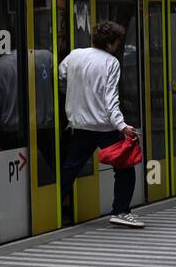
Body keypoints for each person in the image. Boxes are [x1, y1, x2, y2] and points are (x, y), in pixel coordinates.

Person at [58, 20, 144, 228]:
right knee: (124, 169)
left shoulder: (75, 55)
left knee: (70, 169)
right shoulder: (111, 62)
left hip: (79, 126)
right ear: (111, 43)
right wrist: (123, 126)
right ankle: (120, 211)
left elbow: (62, 76)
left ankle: (54, 208)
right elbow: (111, 99)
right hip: (105, 128)